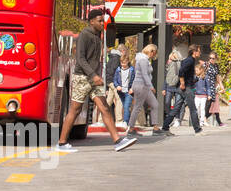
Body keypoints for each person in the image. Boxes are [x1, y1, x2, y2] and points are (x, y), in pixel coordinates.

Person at [58, 8, 136, 152]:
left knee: (105, 108)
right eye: (100, 21)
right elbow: (80, 59)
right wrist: (93, 75)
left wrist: (110, 17)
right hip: (83, 77)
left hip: (94, 79)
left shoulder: (98, 35)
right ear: (91, 21)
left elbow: (112, 32)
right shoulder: (84, 35)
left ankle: (117, 140)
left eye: (103, 21)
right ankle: (62, 143)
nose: (102, 23)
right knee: (75, 110)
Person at [162, 45, 203, 134]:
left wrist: (195, 79)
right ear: (194, 52)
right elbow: (181, 71)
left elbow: (186, 74)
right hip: (186, 88)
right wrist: (182, 83)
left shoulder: (189, 60)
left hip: (183, 88)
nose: (200, 53)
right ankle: (197, 129)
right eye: (199, 51)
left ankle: (165, 127)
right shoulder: (190, 60)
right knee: (193, 109)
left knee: (176, 108)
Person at [127, 43, 162, 134]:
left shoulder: (144, 59)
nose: (154, 55)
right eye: (154, 53)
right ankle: (130, 129)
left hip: (143, 86)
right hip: (141, 85)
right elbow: (144, 74)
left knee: (155, 105)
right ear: (151, 51)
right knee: (137, 107)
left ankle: (155, 128)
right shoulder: (143, 60)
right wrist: (151, 86)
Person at [113, 50, 135, 128]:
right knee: (124, 106)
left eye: (125, 63)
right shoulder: (118, 70)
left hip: (129, 92)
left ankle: (125, 122)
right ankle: (127, 122)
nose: (123, 65)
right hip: (121, 92)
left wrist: (132, 88)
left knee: (126, 107)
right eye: (122, 63)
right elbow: (115, 80)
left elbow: (135, 80)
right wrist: (117, 86)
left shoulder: (132, 70)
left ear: (128, 61)